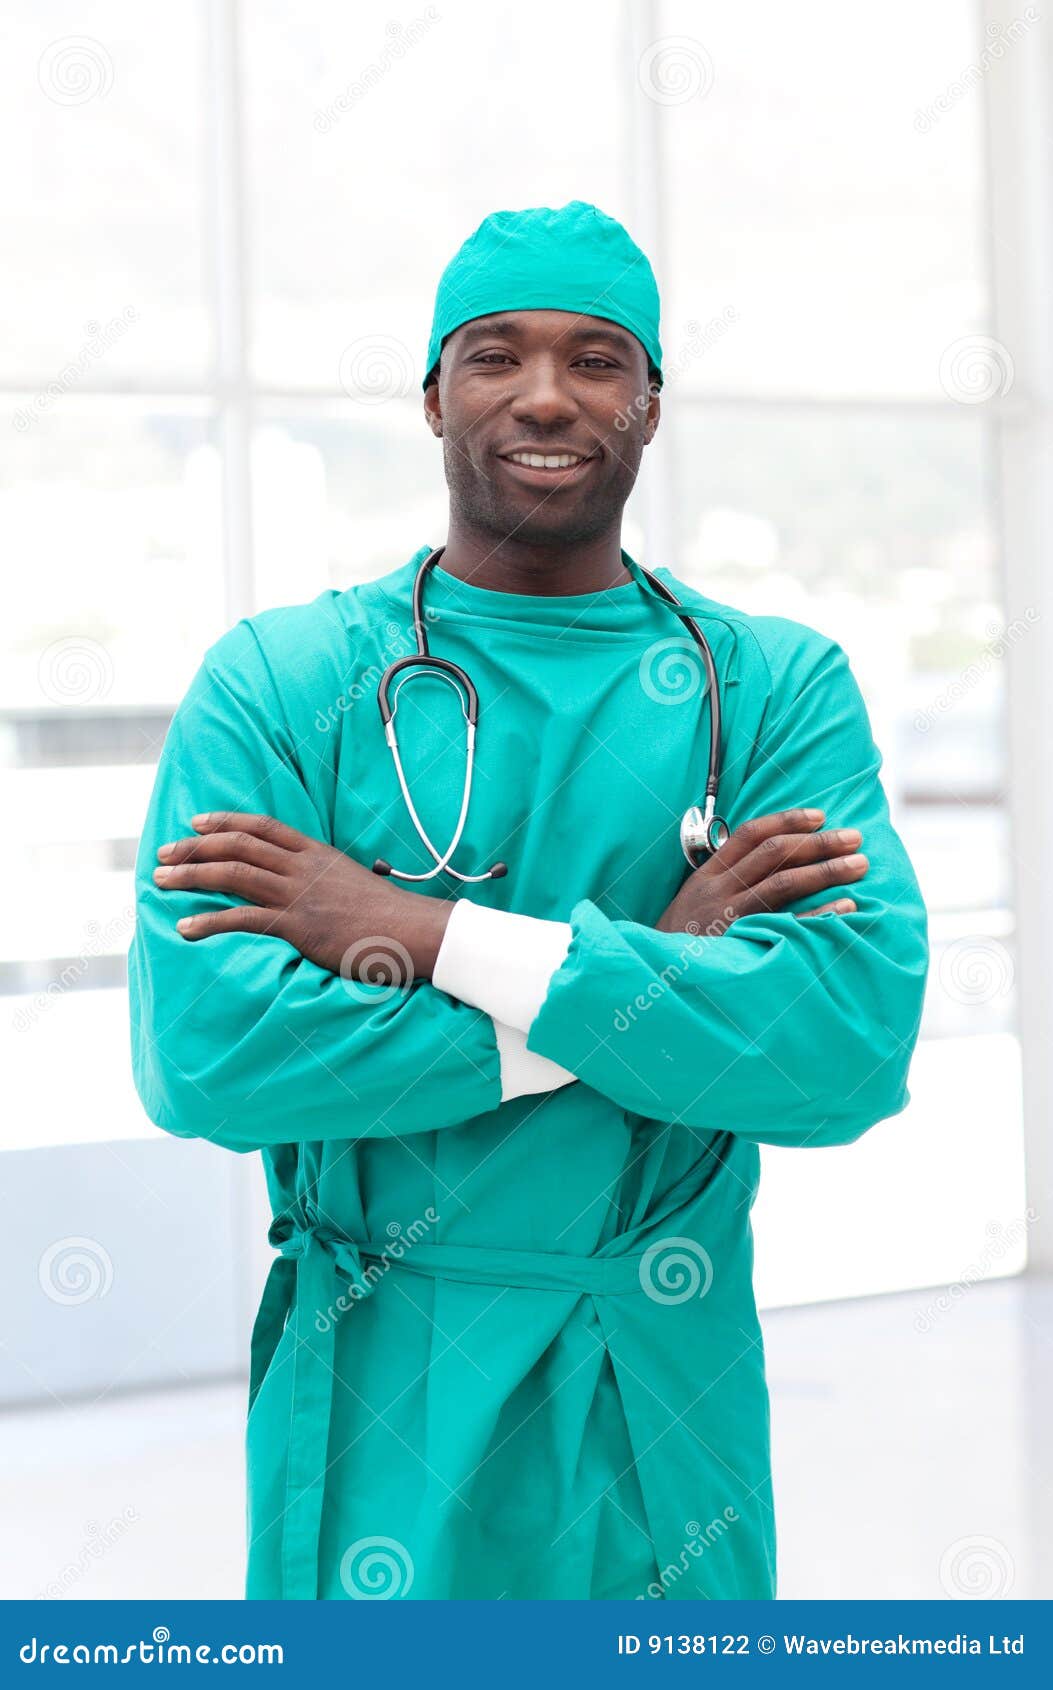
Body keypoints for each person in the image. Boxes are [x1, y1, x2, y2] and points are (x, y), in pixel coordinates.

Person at [128, 200, 929, 1601]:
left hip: (657, 1385)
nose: (547, 396)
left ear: (652, 401)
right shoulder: (282, 681)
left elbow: (841, 1051)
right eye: (495, 356)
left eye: (597, 358)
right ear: (434, 392)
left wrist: (426, 932)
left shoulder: (771, 688)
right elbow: (212, 1057)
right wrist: (646, 978)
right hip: (386, 1376)